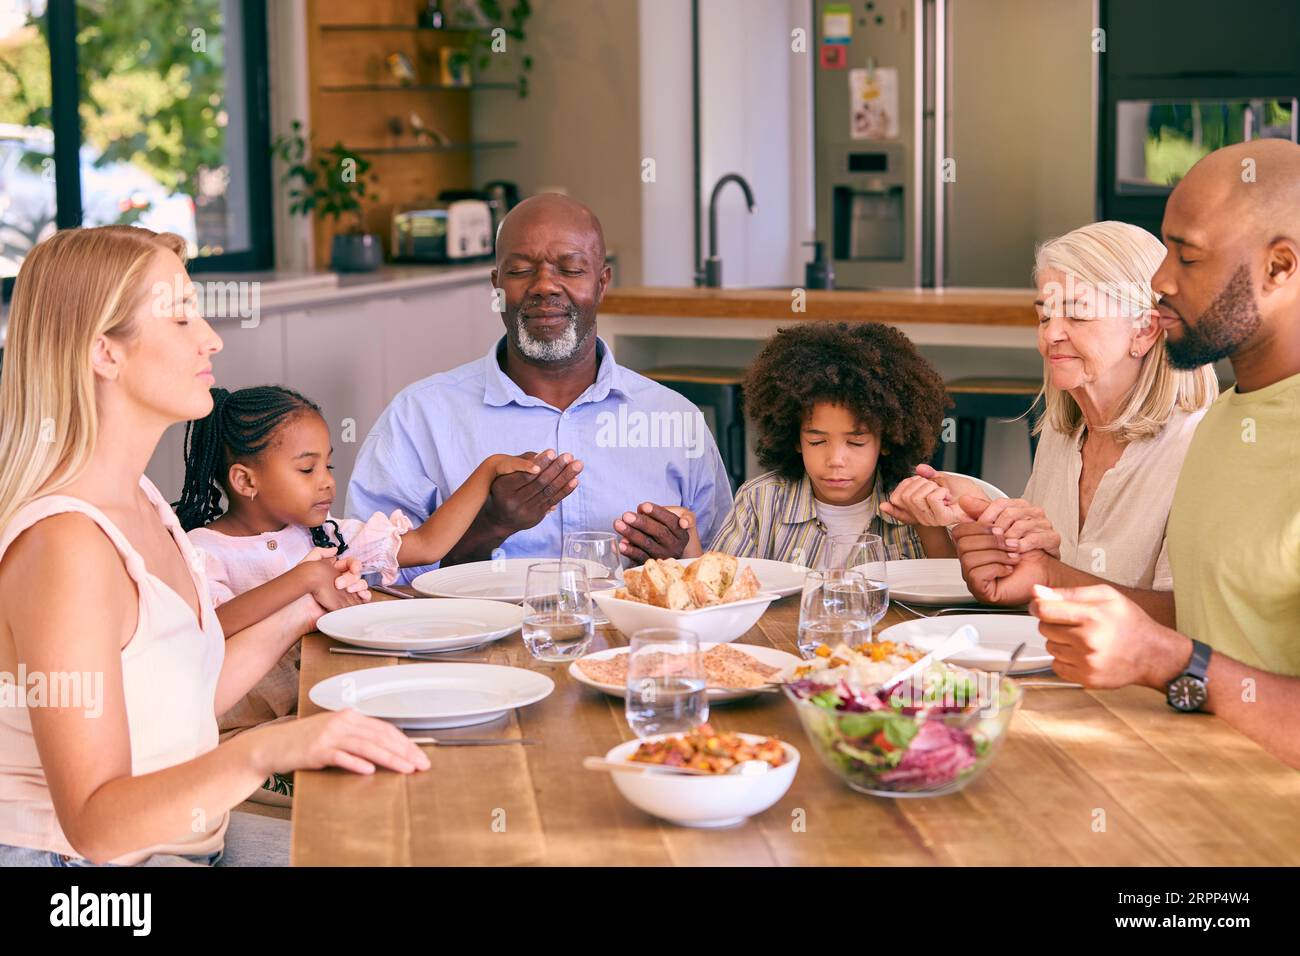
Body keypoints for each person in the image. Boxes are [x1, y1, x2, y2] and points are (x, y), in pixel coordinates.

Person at [0, 226, 429, 867]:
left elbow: (182, 696)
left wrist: (302, 608)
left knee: (402, 851)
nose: (211, 338)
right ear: (104, 353)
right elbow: (94, 823)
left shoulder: (142, 501)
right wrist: (269, 749)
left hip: (187, 843)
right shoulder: (67, 548)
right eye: (180, 318)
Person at [970, 141, 1300, 767]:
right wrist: (1044, 573)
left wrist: (1165, 660)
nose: (1159, 282)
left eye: (1188, 255)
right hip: (1177, 781)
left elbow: (1177, 650)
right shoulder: (1224, 426)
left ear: (1280, 268)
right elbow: (1197, 622)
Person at [346, 193, 734, 582]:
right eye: (519, 271)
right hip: (470, 643)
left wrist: (678, 565)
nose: (545, 286)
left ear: (602, 284)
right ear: (496, 286)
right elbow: (368, 581)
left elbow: (722, 575)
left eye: (571, 268)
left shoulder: (675, 419)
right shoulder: (419, 418)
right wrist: (489, 526)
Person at [176, 384, 537, 799]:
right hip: (251, 740)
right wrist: (304, 579)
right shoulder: (204, 550)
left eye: (329, 466)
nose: (328, 483)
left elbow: (427, 544)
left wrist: (488, 471)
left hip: (322, 711)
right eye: (307, 470)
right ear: (245, 480)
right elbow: (210, 630)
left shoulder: (329, 536)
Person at [882, 221, 1218, 593]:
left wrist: (1045, 573)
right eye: (1044, 316)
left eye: (1076, 315)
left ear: (1144, 331)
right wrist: (960, 510)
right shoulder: (1063, 436)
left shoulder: (1199, 453)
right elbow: (1033, 578)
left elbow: (1188, 622)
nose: (1051, 335)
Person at [709, 322, 950, 566]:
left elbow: (950, 588)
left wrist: (928, 525)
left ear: (886, 440)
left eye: (856, 442)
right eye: (817, 441)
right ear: (795, 439)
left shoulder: (915, 503)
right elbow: (717, 583)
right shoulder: (760, 501)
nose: (835, 459)